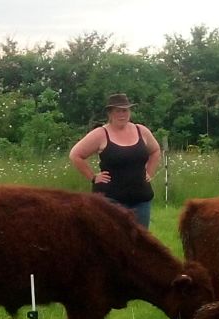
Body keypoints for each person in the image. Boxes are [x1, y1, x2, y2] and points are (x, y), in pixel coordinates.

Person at [68, 93, 161, 230]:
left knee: (140, 243)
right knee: (112, 243)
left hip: (141, 199)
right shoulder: (100, 134)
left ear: (130, 112)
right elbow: (75, 155)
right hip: (110, 201)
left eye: (125, 110)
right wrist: (93, 177)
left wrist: (149, 172)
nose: (122, 114)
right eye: (117, 111)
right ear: (110, 113)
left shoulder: (141, 131)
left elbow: (155, 150)